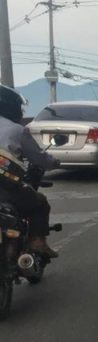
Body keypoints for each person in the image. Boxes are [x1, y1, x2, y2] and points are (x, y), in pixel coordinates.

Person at [0, 85, 59, 258]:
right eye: (20, 108)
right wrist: (54, 162)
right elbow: (39, 157)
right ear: (11, 108)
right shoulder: (17, 130)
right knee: (40, 203)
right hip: (5, 189)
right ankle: (37, 243)